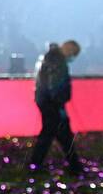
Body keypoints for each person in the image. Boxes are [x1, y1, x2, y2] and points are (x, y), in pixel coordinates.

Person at [28, 40, 83, 175]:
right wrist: (59, 101)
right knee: (57, 134)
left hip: (48, 101)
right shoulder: (57, 60)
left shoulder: (51, 57)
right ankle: (74, 166)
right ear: (69, 50)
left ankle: (36, 164)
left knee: (54, 133)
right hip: (52, 103)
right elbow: (54, 84)